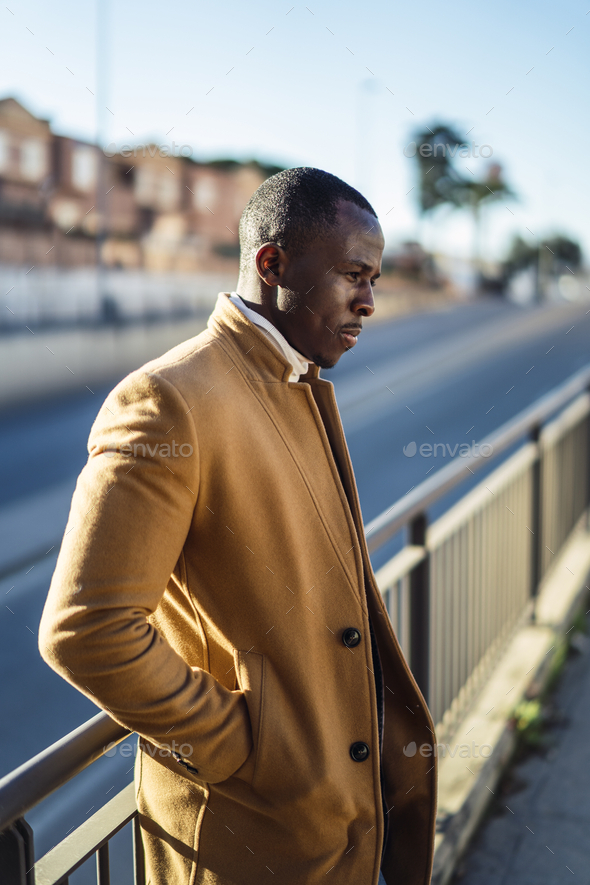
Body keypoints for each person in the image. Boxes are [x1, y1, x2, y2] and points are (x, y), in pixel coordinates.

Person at [39, 167, 436, 885]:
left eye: (373, 278)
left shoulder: (296, 381)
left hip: (328, 831)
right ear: (271, 263)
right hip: (246, 840)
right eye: (353, 275)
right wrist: (242, 748)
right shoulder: (170, 399)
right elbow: (87, 630)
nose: (370, 301)